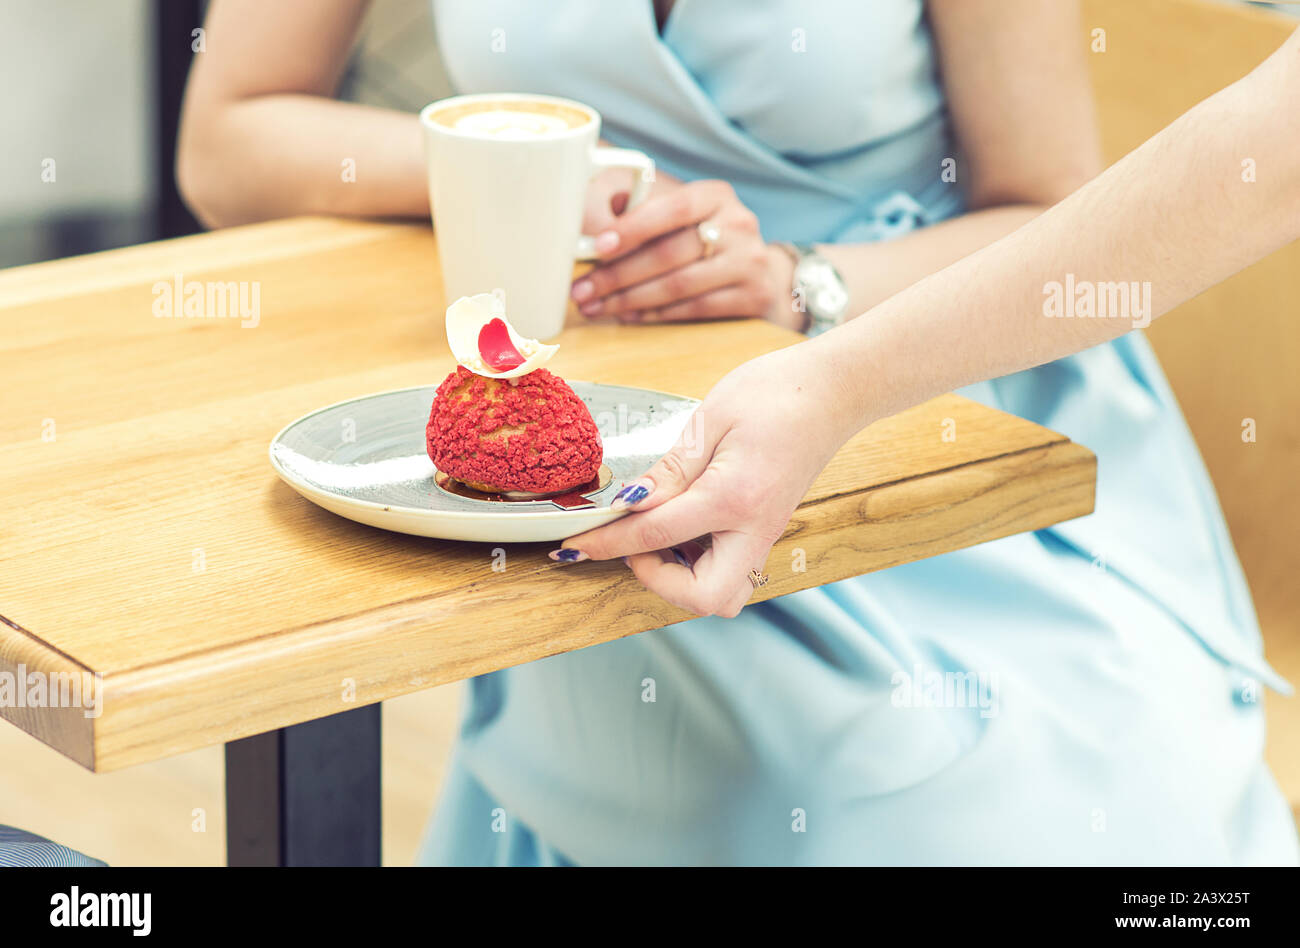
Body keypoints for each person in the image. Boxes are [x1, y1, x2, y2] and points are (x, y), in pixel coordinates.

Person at [178, 1, 1298, 864]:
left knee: (928, 788)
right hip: (605, 449)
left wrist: (800, 286)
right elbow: (225, 137)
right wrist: (535, 183)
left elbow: (1051, 207)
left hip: (938, 394)